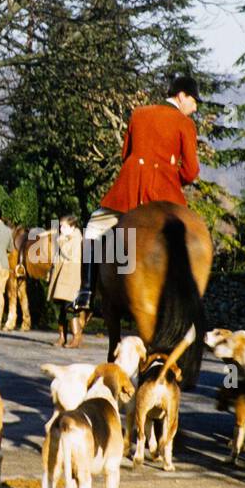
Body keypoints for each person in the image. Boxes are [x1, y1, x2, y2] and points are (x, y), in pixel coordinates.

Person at [72, 75, 201, 311]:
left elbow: (125, 155)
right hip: (164, 194)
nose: (194, 108)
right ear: (181, 95)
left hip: (128, 191)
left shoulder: (138, 113)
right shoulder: (185, 124)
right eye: (194, 101)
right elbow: (192, 172)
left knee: (93, 229)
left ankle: (86, 291)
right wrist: (172, 176)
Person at [47, 216, 83, 347]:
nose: (61, 229)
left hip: (70, 278)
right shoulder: (64, 239)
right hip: (60, 278)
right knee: (59, 308)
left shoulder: (76, 239)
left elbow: (68, 253)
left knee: (70, 308)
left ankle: (76, 337)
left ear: (72, 228)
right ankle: (62, 337)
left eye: (64, 227)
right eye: (61, 226)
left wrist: (60, 240)